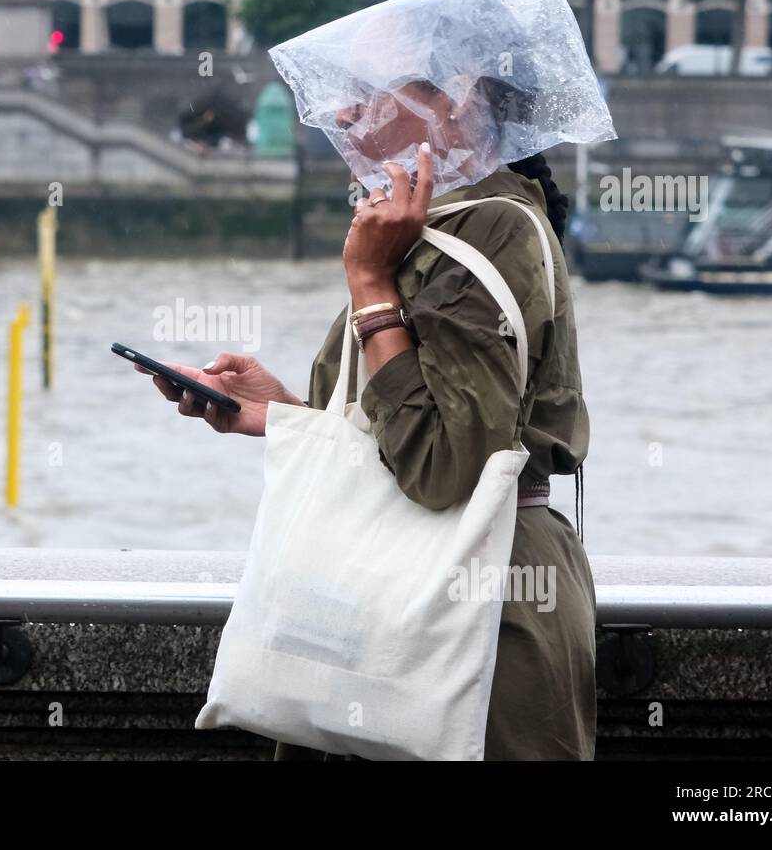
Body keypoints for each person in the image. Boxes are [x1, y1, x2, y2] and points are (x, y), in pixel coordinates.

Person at [137, 71, 596, 760]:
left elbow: (444, 466)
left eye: (376, 90)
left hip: (483, 600)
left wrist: (372, 286)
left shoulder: (493, 227)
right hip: (403, 589)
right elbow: (396, 434)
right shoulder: (432, 226)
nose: (346, 111)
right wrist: (283, 413)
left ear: (460, 100)